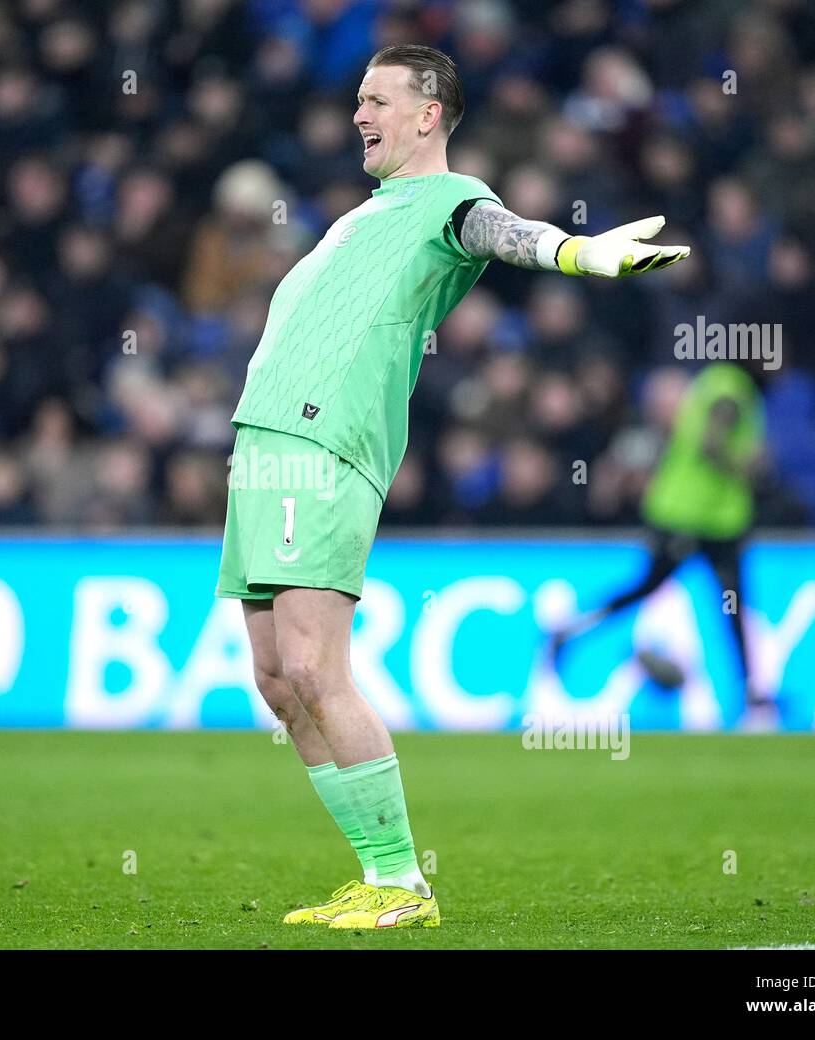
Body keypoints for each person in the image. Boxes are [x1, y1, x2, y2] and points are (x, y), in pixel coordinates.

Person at [216, 44, 689, 929]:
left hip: (322, 444)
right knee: (279, 680)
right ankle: (375, 872)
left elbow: (499, 233)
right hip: (266, 445)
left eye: (377, 100)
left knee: (318, 668)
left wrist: (579, 254)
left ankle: (403, 882)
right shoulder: (364, 214)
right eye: (357, 99)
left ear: (429, 112)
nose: (358, 114)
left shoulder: (449, 198)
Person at [550, 360, 768, 720]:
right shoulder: (732, 387)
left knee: (665, 591)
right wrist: (745, 467)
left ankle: (572, 628)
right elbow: (712, 444)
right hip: (692, 516)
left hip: (709, 518)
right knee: (727, 603)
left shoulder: (712, 381)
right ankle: (752, 695)